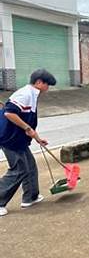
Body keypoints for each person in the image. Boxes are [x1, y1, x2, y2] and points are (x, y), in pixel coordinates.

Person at [0, 69, 56, 216]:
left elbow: (28, 122)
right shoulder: (25, 94)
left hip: (19, 139)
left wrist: (37, 138)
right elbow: (9, 113)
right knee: (18, 169)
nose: (48, 88)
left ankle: (30, 197)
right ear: (38, 82)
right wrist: (27, 128)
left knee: (30, 166)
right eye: (47, 84)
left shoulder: (32, 95)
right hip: (9, 138)